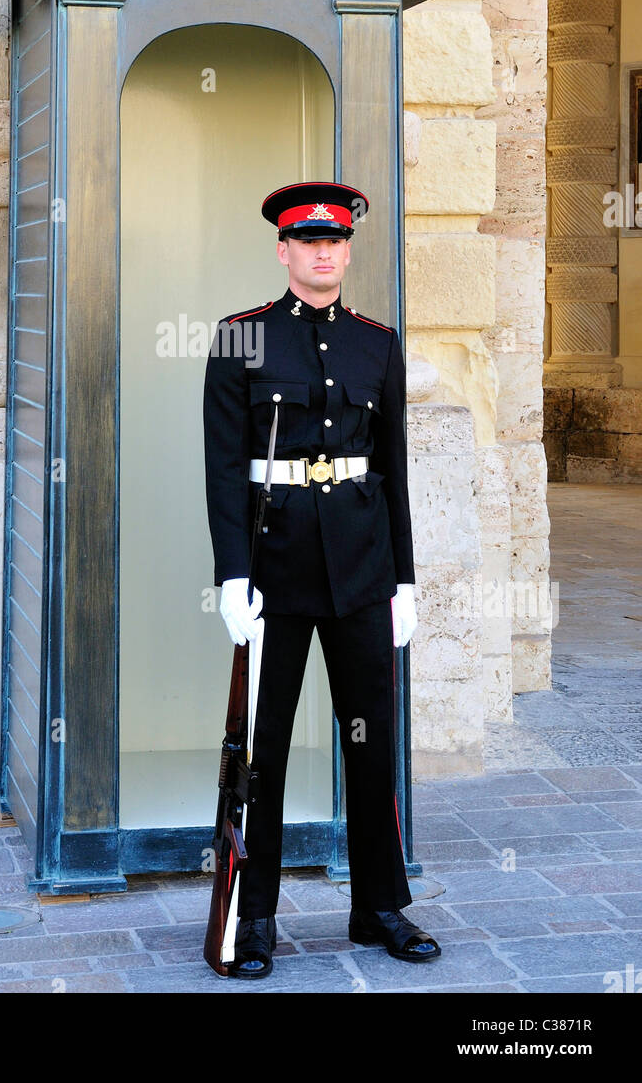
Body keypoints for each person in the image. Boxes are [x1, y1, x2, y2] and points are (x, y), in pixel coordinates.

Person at [202, 180, 440, 978]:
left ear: (346, 249)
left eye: (334, 241)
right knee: (262, 750)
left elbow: (393, 468)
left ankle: (379, 907)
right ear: (283, 250)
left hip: (363, 569)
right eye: (307, 241)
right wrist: (232, 575)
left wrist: (404, 579)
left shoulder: (377, 342)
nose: (322, 252)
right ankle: (257, 915)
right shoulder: (241, 337)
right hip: (275, 572)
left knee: (370, 744)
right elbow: (224, 467)